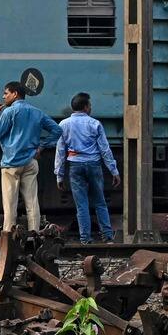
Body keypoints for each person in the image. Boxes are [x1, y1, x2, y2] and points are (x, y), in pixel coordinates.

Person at [0, 81, 61, 232]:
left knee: (10, 204)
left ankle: (10, 235)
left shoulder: (9, 112)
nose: (3, 96)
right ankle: (35, 235)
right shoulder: (37, 112)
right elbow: (57, 130)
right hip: (30, 161)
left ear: (15, 94)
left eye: (6, 93)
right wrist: (42, 146)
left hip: (11, 163)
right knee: (32, 202)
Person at [54, 93, 120, 243]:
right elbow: (105, 149)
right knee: (100, 202)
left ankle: (85, 239)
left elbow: (60, 151)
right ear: (85, 107)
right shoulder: (95, 124)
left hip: (75, 166)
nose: (91, 108)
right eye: (89, 105)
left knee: (81, 205)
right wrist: (114, 171)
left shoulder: (63, 125)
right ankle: (107, 236)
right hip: (93, 165)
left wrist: (59, 174)